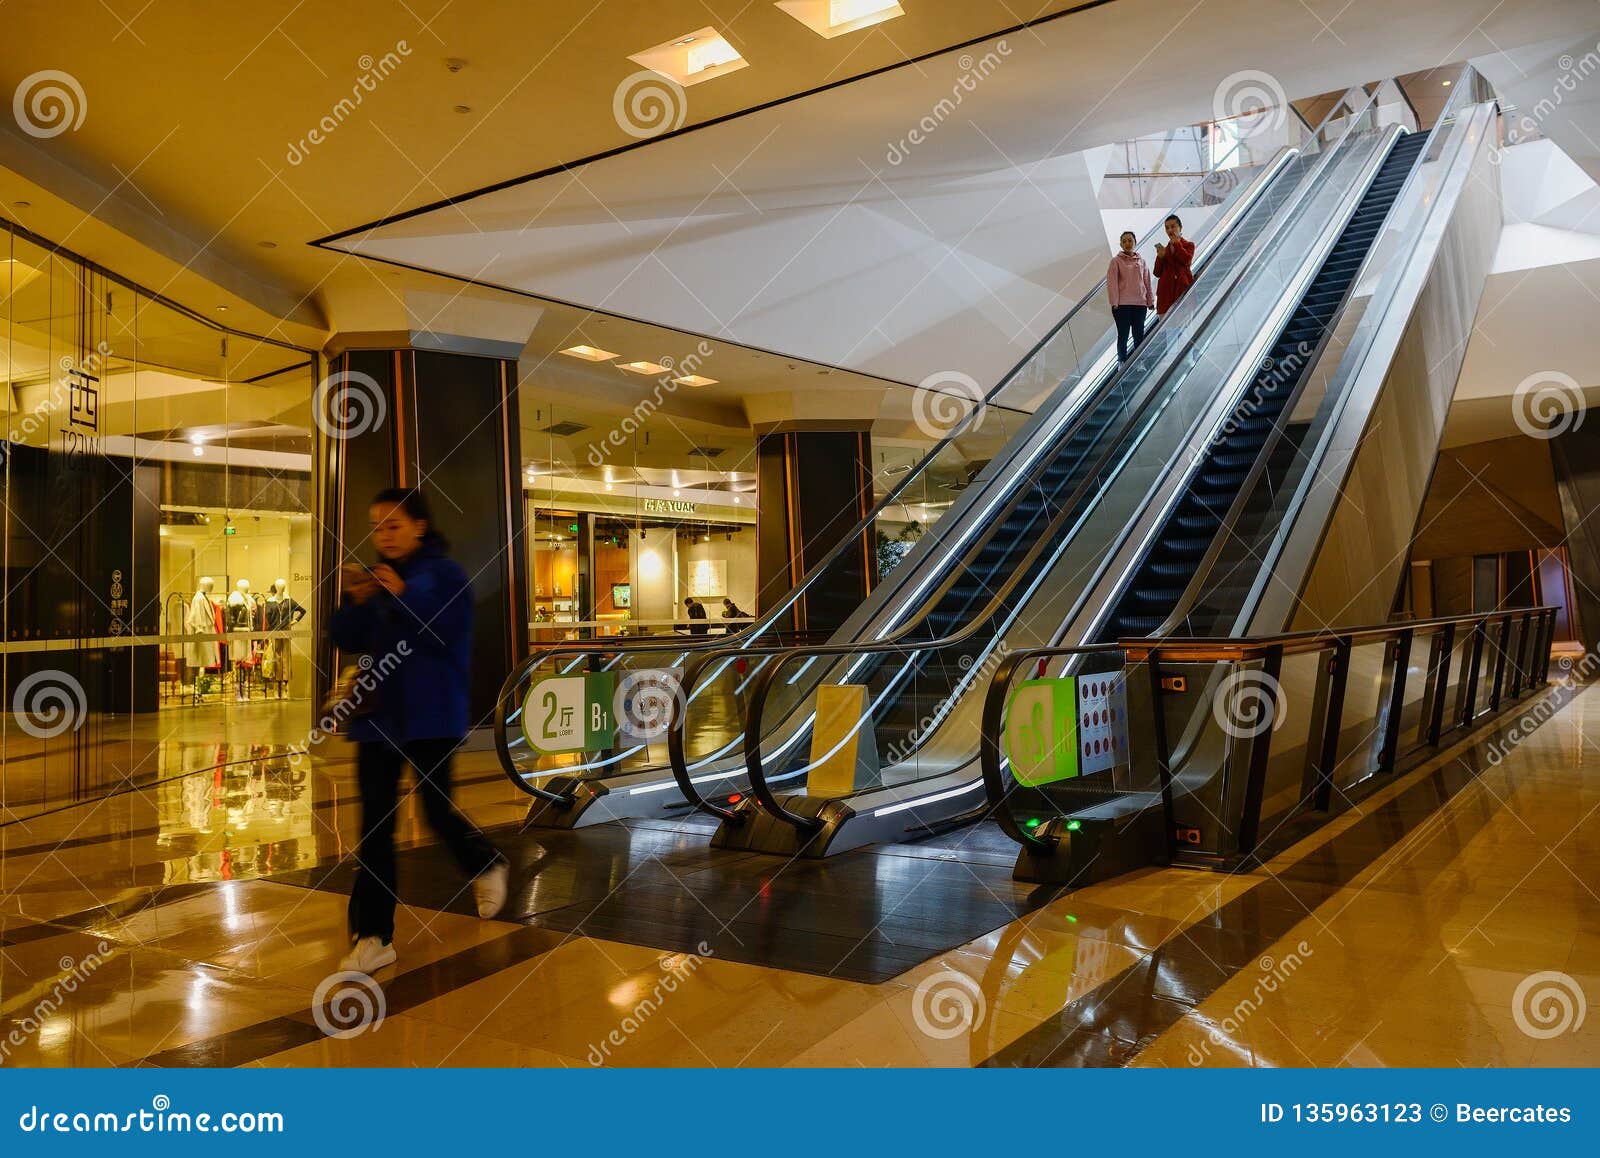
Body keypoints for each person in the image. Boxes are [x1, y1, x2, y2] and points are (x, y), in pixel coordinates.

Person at [329, 487, 507, 976]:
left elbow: (442, 631)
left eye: (394, 524)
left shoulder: (444, 575)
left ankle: (485, 862)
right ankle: (373, 936)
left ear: (420, 526)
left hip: (431, 716)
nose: (383, 534)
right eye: (377, 526)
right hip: (378, 720)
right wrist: (354, 601)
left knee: (434, 811)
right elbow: (345, 637)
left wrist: (400, 594)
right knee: (375, 829)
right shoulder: (378, 579)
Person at [1106, 230, 1154, 361]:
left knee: (1139, 335)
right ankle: (1122, 362)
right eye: (1124, 241)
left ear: (1135, 242)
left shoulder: (1142, 261)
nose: (1128, 243)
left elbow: (1147, 281)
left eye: (1130, 240)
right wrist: (1114, 302)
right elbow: (1112, 283)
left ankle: (1139, 362)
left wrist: (1150, 301)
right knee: (1123, 335)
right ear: (1121, 244)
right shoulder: (1115, 261)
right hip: (1122, 305)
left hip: (1140, 304)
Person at [1153, 214, 1195, 317]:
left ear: (1180, 227)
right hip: (1165, 297)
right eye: (1167, 228)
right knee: (1165, 330)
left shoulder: (1189, 245)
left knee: (1183, 330)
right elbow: (1157, 273)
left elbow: (1186, 260)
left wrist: (1177, 243)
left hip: (1181, 294)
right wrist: (1160, 257)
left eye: (1173, 226)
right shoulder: (1165, 249)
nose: (1170, 230)